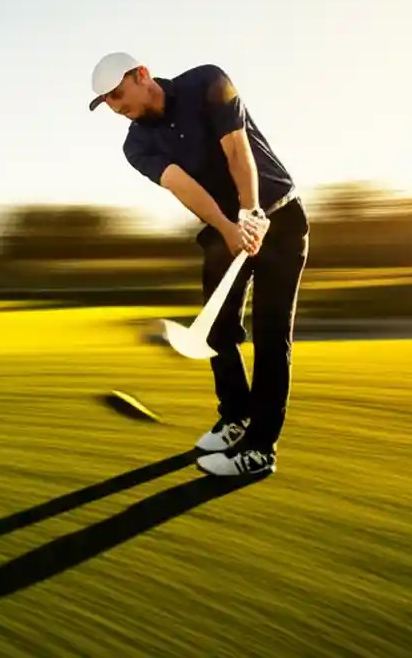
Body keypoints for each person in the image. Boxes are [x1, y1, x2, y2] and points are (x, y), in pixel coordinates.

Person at [88, 52, 310, 476]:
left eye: (118, 94)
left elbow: (236, 150)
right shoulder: (136, 144)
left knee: (270, 332)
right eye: (107, 103)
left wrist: (251, 213)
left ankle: (260, 449)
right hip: (223, 226)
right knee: (217, 331)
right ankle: (235, 416)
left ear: (142, 75)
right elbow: (182, 186)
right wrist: (230, 229)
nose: (116, 107)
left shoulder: (207, 82)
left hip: (278, 216)